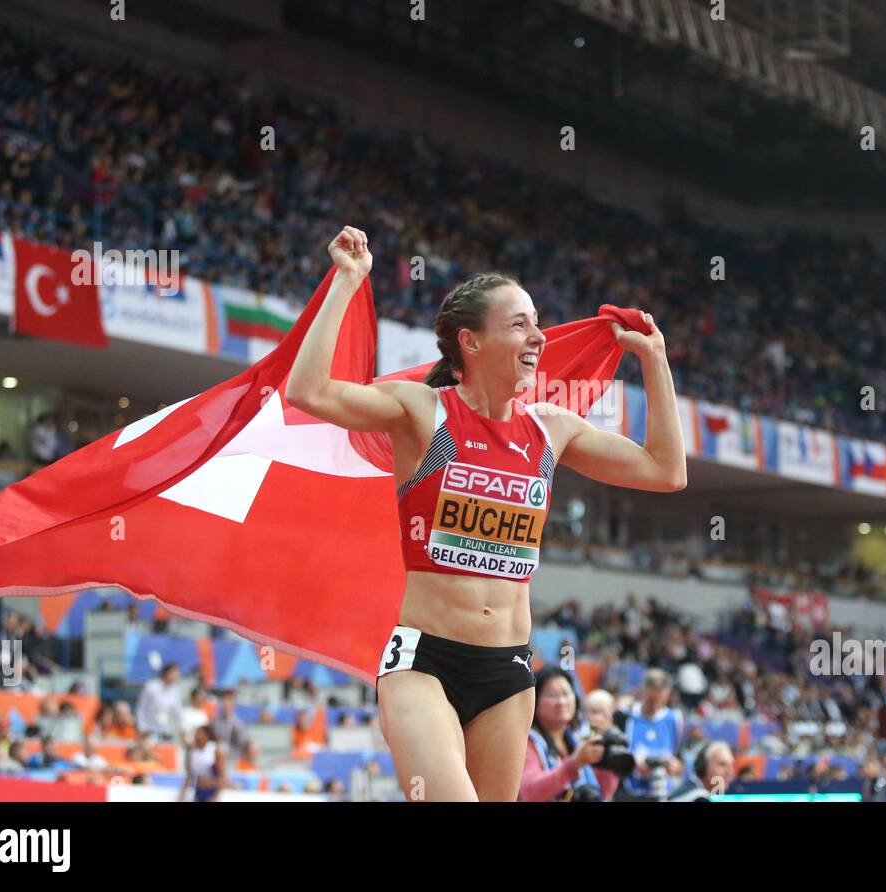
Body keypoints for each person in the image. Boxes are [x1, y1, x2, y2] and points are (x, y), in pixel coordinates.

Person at [286, 227, 685, 801]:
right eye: (519, 323)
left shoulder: (551, 429)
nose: (539, 336)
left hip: (509, 671)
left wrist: (654, 358)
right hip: (424, 661)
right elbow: (308, 391)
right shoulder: (424, 413)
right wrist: (347, 281)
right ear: (470, 343)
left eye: (537, 322)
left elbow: (666, 471)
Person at [519, 666, 618, 801]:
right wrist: (574, 764)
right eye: (552, 695)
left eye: (566, 694)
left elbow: (603, 793)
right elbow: (530, 792)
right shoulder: (528, 743)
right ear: (535, 701)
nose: (561, 702)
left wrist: (609, 762)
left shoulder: (578, 740)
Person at [616, 668, 687, 801]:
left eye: (660, 700)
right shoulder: (625, 716)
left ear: (667, 695)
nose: (655, 705)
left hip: (662, 791)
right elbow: (612, 757)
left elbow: (680, 762)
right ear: (642, 690)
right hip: (629, 793)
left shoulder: (674, 719)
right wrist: (632, 762)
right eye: (651, 699)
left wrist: (673, 765)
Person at [667, 741, 735, 801]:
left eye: (731, 765)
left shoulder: (692, 790)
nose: (729, 772)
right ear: (703, 766)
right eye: (722, 764)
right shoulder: (698, 797)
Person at [135, 663, 182, 741]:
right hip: (148, 730)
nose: (176, 676)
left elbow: (178, 712)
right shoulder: (151, 686)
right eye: (175, 673)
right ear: (167, 673)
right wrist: (142, 727)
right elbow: (141, 708)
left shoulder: (175, 692)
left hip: (165, 732)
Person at [181, 725, 227, 802]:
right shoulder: (192, 751)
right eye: (195, 734)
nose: (196, 736)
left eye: (198, 734)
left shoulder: (215, 750)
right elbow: (189, 776)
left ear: (207, 736)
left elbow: (222, 777)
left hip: (210, 793)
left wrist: (215, 798)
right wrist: (182, 796)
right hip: (197, 793)